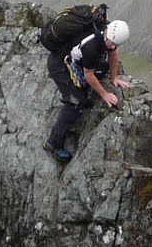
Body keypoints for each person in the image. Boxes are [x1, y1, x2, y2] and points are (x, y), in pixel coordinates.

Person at [43, 19, 132, 162]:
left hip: (76, 59)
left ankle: (69, 93)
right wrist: (104, 94)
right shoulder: (91, 46)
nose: (113, 47)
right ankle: (53, 143)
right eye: (113, 44)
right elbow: (88, 75)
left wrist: (114, 78)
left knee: (102, 68)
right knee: (76, 103)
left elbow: (113, 55)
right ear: (108, 37)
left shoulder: (107, 36)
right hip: (60, 65)